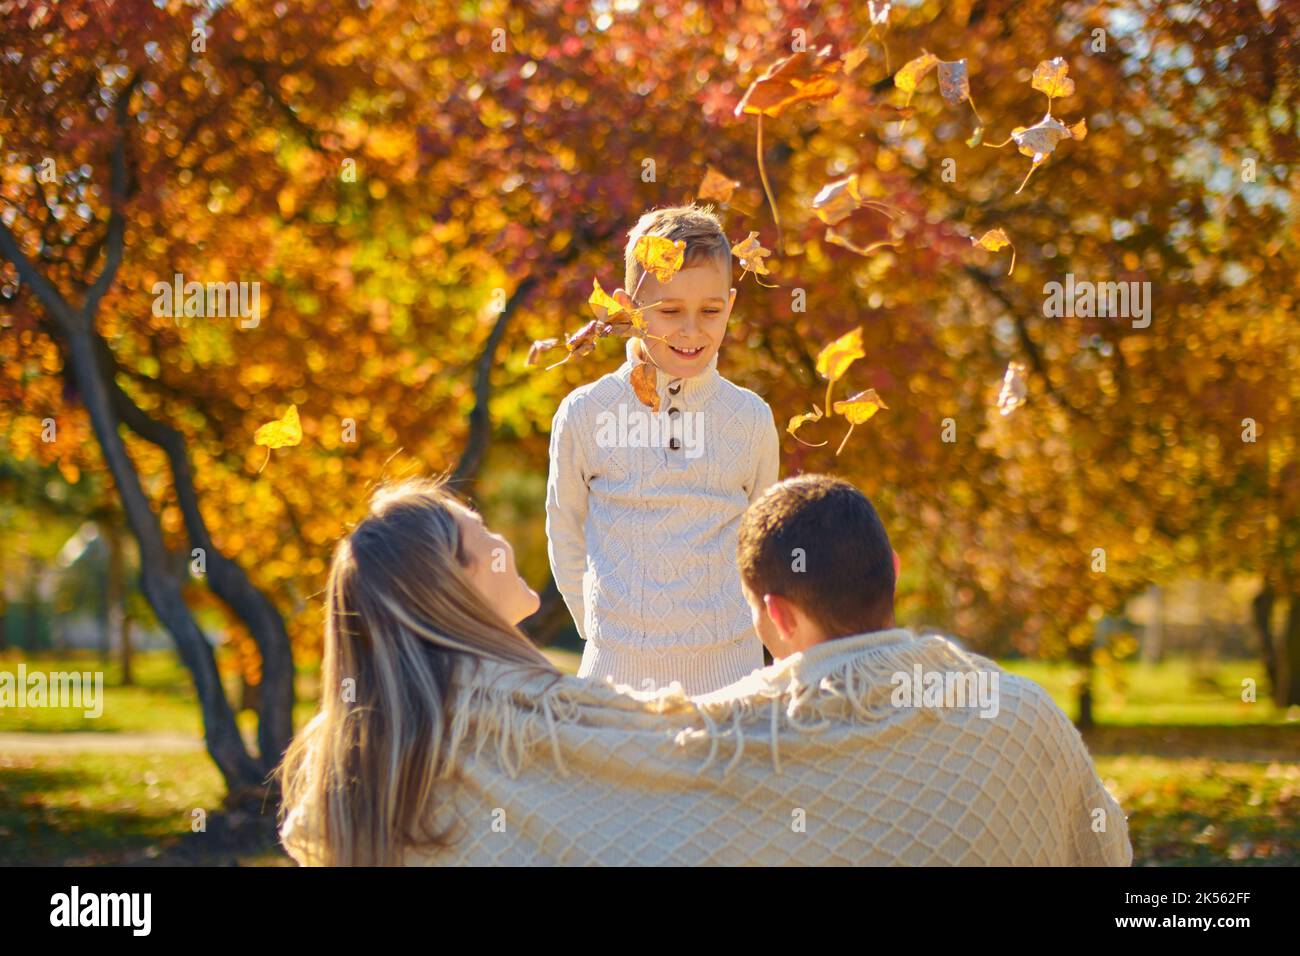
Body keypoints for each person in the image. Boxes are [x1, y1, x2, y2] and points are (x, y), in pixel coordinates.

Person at [278, 475, 1132, 866]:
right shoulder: (1018, 713)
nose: (500, 541)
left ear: (776, 616)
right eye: (476, 545)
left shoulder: (350, 765)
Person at [545, 202, 780, 695]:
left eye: (710, 311)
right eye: (670, 311)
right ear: (628, 307)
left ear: (730, 305)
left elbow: (766, 545)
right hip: (618, 680)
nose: (692, 330)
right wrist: (600, 630)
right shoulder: (586, 413)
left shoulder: (751, 418)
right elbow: (564, 527)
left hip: (729, 682)